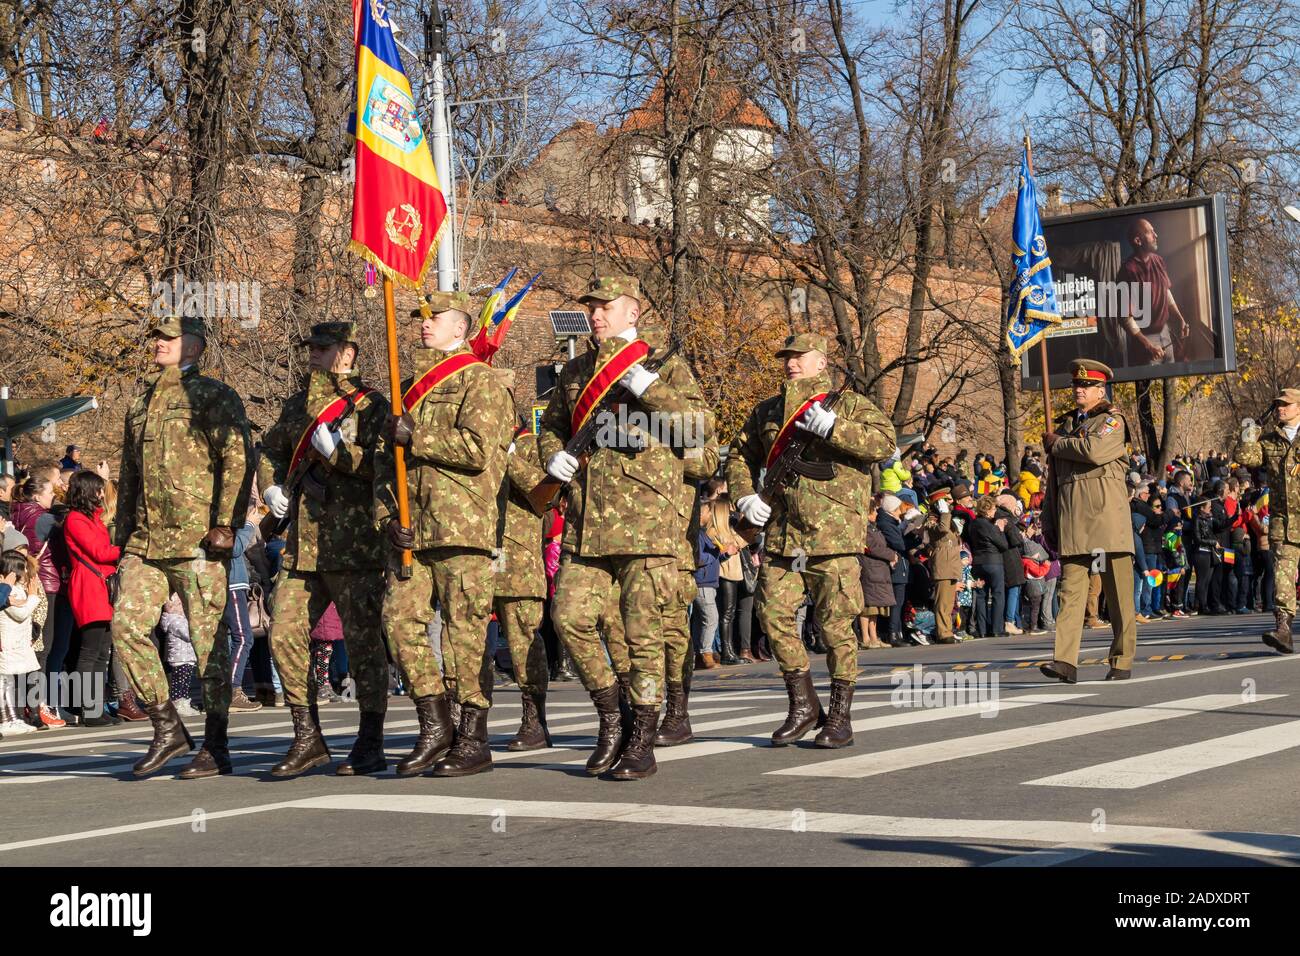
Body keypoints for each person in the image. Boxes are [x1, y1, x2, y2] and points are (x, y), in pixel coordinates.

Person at [542, 274, 706, 780]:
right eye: (592, 306)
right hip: (586, 519)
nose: (597, 314)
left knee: (643, 634)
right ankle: (612, 717)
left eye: (606, 306)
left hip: (646, 521)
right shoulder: (575, 370)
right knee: (568, 615)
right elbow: (551, 425)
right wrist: (554, 458)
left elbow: (698, 428)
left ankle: (642, 737)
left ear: (632, 312)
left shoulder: (664, 366)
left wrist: (647, 387)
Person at [725, 332, 896, 748]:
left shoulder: (850, 405)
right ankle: (803, 704)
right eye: (787, 357)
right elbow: (738, 455)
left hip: (834, 536)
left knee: (836, 626)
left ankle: (839, 715)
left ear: (822, 363)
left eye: (800, 357)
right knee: (772, 615)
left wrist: (836, 428)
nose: (791, 363)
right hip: (785, 536)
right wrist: (744, 496)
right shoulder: (768, 411)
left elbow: (884, 444)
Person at [377, 291, 513, 777]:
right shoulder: (408, 386)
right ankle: (434, 725)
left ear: (462, 328)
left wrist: (418, 436)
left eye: (435, 318)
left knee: (464, 636)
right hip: (413, 530)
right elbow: (382, 465)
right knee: (398, 621)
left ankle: (472, 737)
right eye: (420, 318)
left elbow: (479, 450)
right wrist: (385, 518)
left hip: (462, 527)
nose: (424, 324)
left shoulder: (482, 380)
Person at [112, 314, 252, 778]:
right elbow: (130, 473)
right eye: (156, 336)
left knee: (208, 643)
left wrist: (226, 524)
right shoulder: (140, 402)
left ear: (193, 347)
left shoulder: (212, 395)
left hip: (197, 540)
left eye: (168, 338)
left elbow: (237, 458)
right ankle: (166, 725)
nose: (158, 343)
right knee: (125, 626)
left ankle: (215, 744)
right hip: (147, 541)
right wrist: (123, 532)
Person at [258, 320, 391, 777]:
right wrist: (270, 486)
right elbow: (270, 450)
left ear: (347, 353)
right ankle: (307, 737)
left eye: (323, 347)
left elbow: (383, 467)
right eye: (310, 346)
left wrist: (337, 453)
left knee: (363, 643)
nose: (312, 353)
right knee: (283, 634)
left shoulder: (372, 404)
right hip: (303, 546)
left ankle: (370, 740)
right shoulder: (297, 405)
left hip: (354, 545)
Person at [1040, 359, 1137, 682]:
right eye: (1076, 385)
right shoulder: (1066, 426)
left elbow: (1095, 451)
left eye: (1086, 386)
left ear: (1101, 390)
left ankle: (1121, 659)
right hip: (1073, 523)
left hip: (1107, 521)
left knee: (1119, 596)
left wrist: (1058, 444)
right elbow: (1054, 484)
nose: (1079, 390)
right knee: (1070, 596)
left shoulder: (1112, 421)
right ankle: (1065, 661)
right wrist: (1049, 522)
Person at [492, 415, 553, 751]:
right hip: (475, 553)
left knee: (522, 643)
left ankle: (534, 720)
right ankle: (468, 721)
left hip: (517, 560)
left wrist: (508, 456)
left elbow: (546, 495)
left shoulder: (532, 445)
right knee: (464, 643)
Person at [1235, 387, 1300, 653]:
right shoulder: (1270, 440)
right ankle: (1283, 629)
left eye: (1286, 404)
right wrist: (1250, 432)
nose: (1280, 408)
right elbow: (1243, 457)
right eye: (1277, 404)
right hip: (1283, 523)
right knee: (1283, 577)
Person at [62, 471, 121, 726]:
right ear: (87, 491)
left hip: (101, 586)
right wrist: (125, 549)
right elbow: (99, 551)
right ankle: (88, 709)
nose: (101, 494)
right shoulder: (75, 519)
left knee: (101, 653)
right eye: (98, 490)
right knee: (89, 651)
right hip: (89, 586)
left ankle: (96, 707)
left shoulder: (92, 518)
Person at [1114, 218, 1191, 366]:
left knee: (1171, 385)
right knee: (1150, 385)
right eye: (1150, 232)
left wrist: (1180, 318)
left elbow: (1165, 292)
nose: (1156, 235)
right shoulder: (1127, 272)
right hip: (1145, 341)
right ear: (1138, 240)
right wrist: (1148, 345)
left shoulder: (1158, 261)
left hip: (1165, 332)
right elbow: (1125, 318)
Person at [0, 551, 39, 736]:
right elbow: (21, 613)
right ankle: (5, 720)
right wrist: (33, 597)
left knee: (8, 682)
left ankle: (13, 718)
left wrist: (27, 598)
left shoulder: (13, 589)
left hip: (15, 643)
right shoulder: (5, 588)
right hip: (7, 644)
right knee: (4, 683)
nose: (24, 572)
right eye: (21, 568)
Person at [925, 487, 962, 644]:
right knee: (942, 602)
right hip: (943, 565)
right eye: (945, 501)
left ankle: (948, 630)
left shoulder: (946, 519)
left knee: (948, 602)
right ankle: (943, 632)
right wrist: (945, 513)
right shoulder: (931, 520)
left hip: (951, 565)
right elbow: (942, 530)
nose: (949, 503)